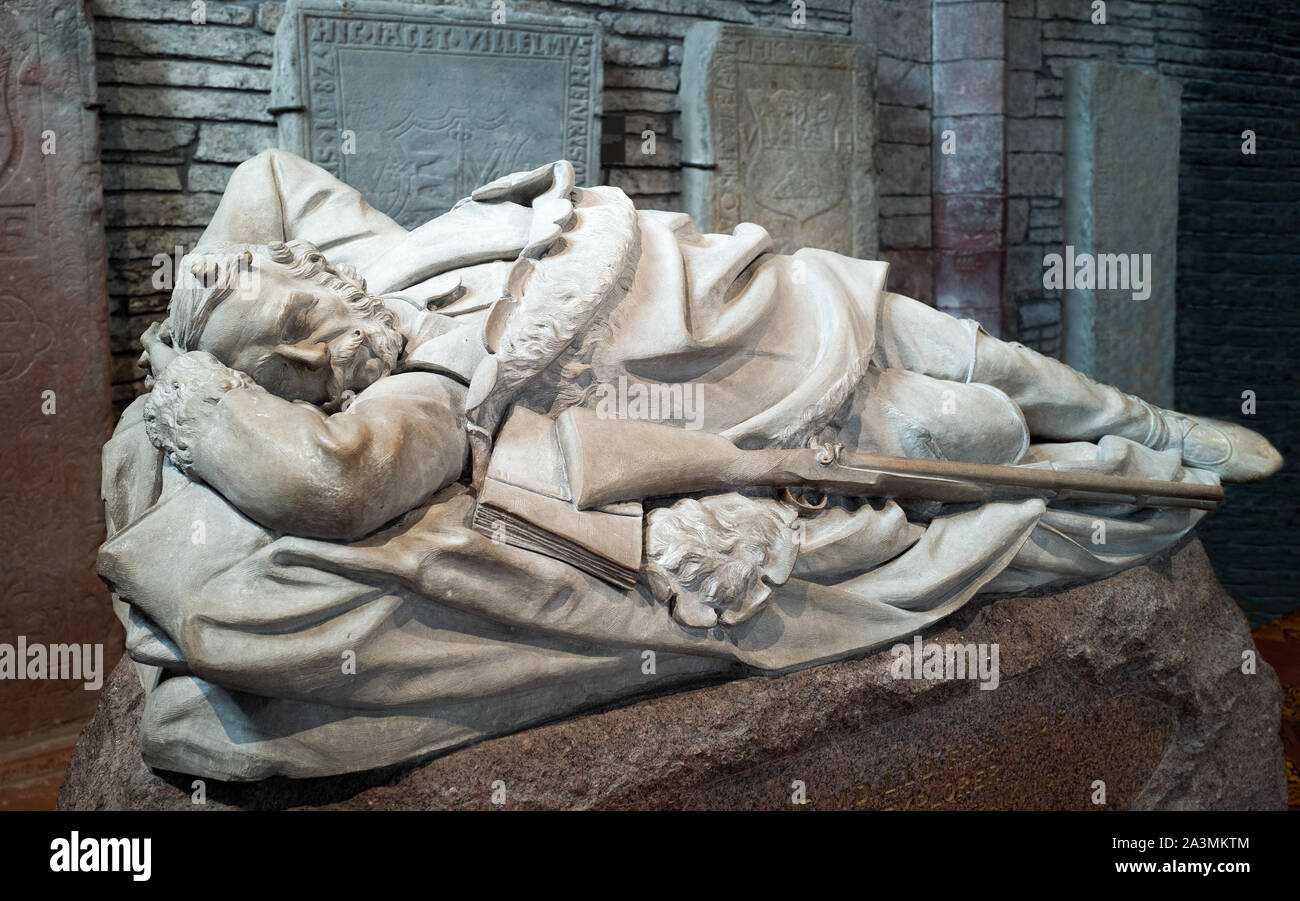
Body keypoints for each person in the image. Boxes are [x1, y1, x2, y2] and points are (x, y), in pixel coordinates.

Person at [139, 149, 1280, 546]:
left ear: (303, 272)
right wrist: (193, 380)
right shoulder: (433, 384)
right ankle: (1125, 480)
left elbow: (262, 180)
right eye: (299, 376)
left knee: (994, 361)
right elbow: (334, 484)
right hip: (749, 403)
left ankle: (1145, 422)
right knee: (963, 428)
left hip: (746, 290)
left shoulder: (373, 256)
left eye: (297, 326)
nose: (322, 363)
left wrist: (195, 308)